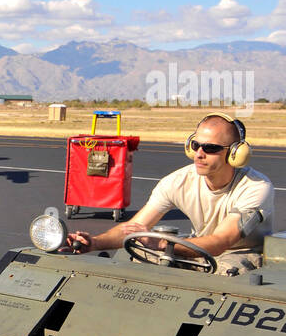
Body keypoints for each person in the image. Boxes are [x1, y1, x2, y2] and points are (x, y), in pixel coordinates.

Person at [64, 113, 274, 275]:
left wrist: (163, 244)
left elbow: (222, 241)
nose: (199, 154)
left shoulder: (255, 186)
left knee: (228, 274)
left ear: (236, 153)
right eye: (196, 145)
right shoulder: (177, 181)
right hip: (197, 248)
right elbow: (135, 228)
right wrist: (95, 242)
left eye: (210, 148)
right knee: (139, 255)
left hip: (239, 254)